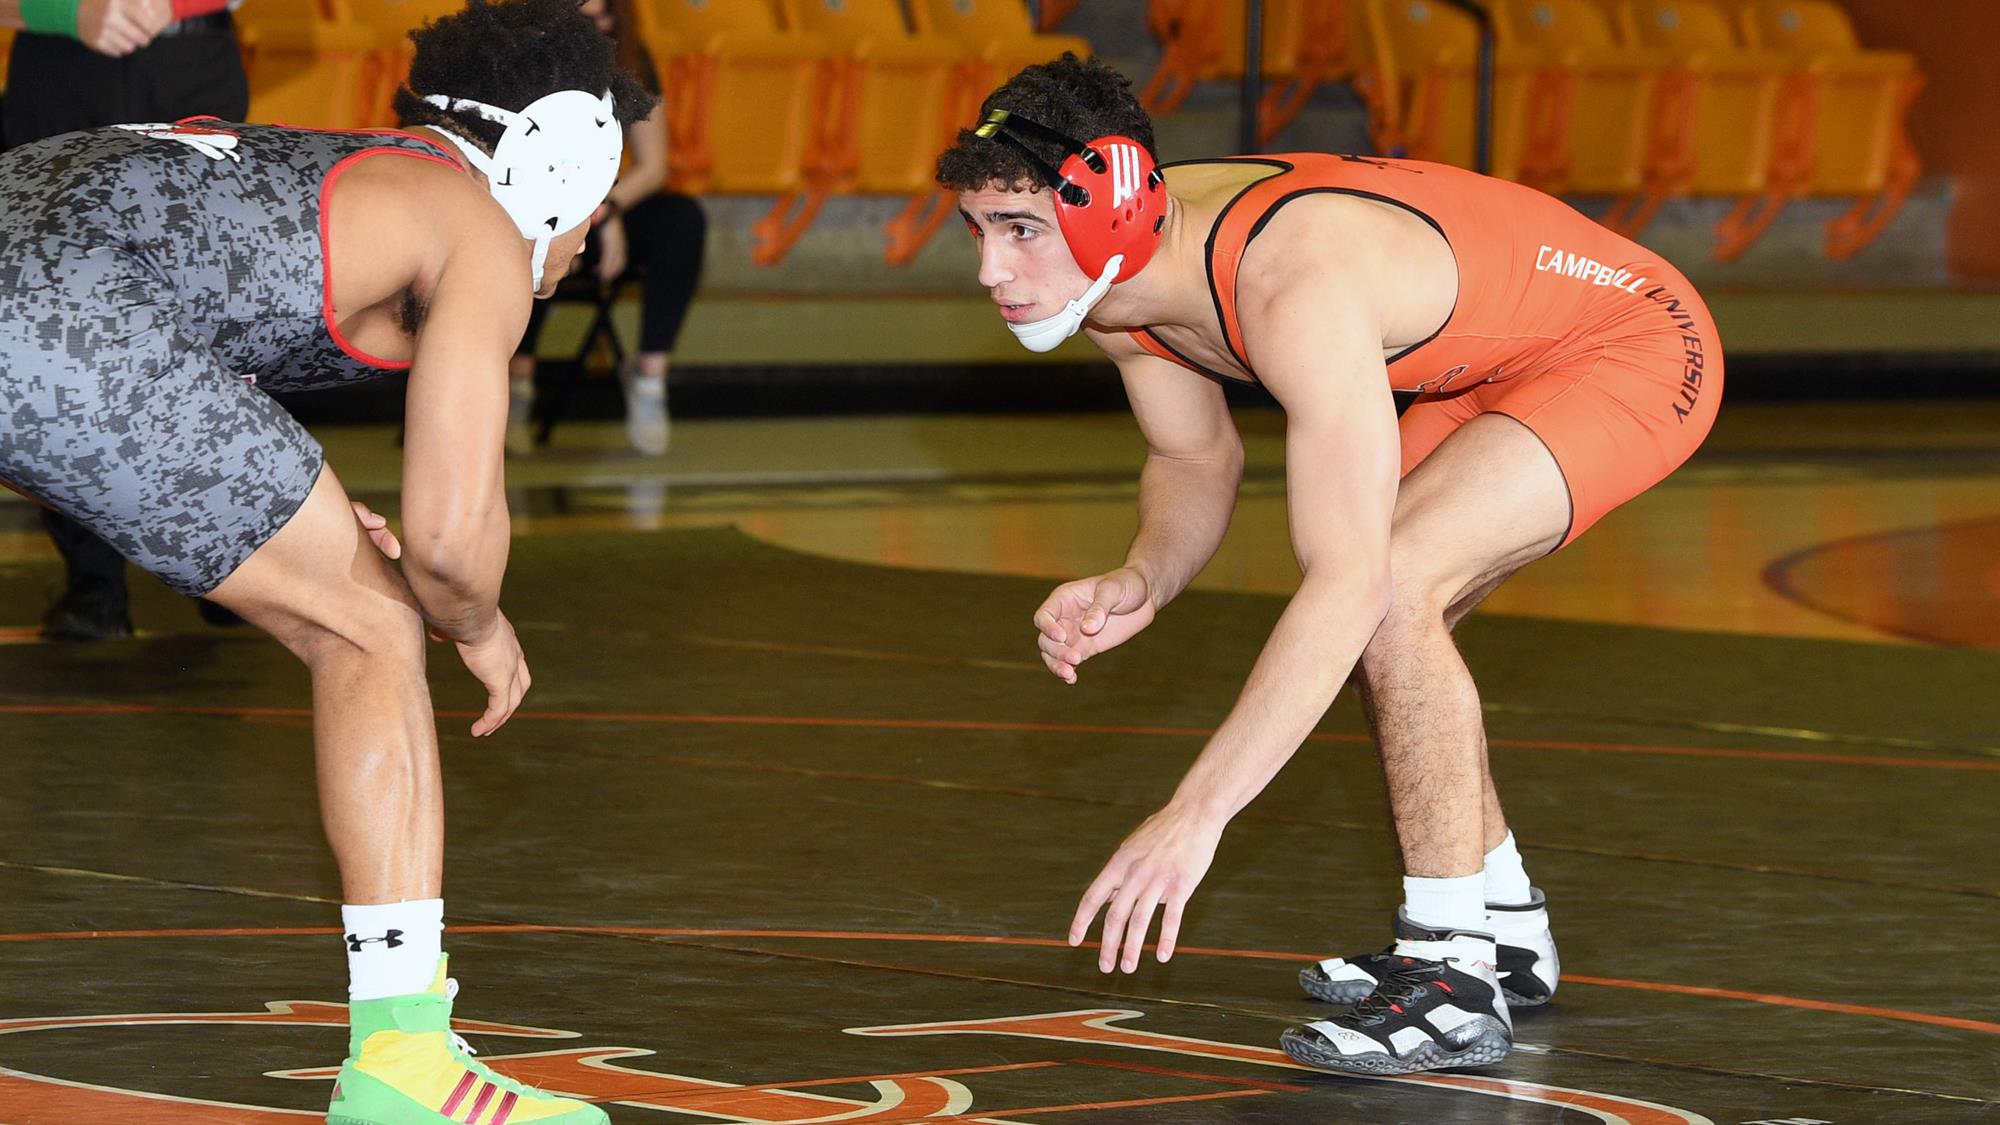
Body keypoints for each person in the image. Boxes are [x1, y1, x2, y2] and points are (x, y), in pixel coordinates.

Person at [935, 55, 1722, 1077]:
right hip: (1483, 359)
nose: (990, 270)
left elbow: (1348, 582)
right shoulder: (1119, 284)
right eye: (979, 230)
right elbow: (1192, 456)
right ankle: (1504, 928)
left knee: (1384, 594)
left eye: (1019, 230)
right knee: (1383, 626)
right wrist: (1142, 577)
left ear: (1113, 209)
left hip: (1628, 343)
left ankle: (1449, 976)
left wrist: (1195, 813)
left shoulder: (1292, 278)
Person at [0, 0, 650, 1120]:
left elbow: (180, 312)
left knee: (343, 583)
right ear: (561, 152)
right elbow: (448, 543)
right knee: (372, 626)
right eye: (602, 186)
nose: (593, 223)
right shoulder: (475, 227)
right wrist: (478, 625)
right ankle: (404, 1064)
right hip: (73, 314)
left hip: (46, 246)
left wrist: (325, 529)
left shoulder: (327, 170)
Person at [4, 0, 249, 640]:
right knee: (53, 323)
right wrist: (63, 13)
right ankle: (94, 579)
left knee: (216, 311)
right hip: (56, 66)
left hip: (191, 60)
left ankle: (240, 550)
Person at [505, 0, 706, 457]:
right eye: (585, 15)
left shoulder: (633, 56)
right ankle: (517, 384)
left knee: (683, 219)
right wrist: (590, 213)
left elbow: (653, 168)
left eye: (607, 14)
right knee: (534, 232)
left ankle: (650, 377)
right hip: (544, 205)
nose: (599, 26)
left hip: (601, 208)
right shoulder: (527, 55)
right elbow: (528, 168)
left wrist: (606, 210)